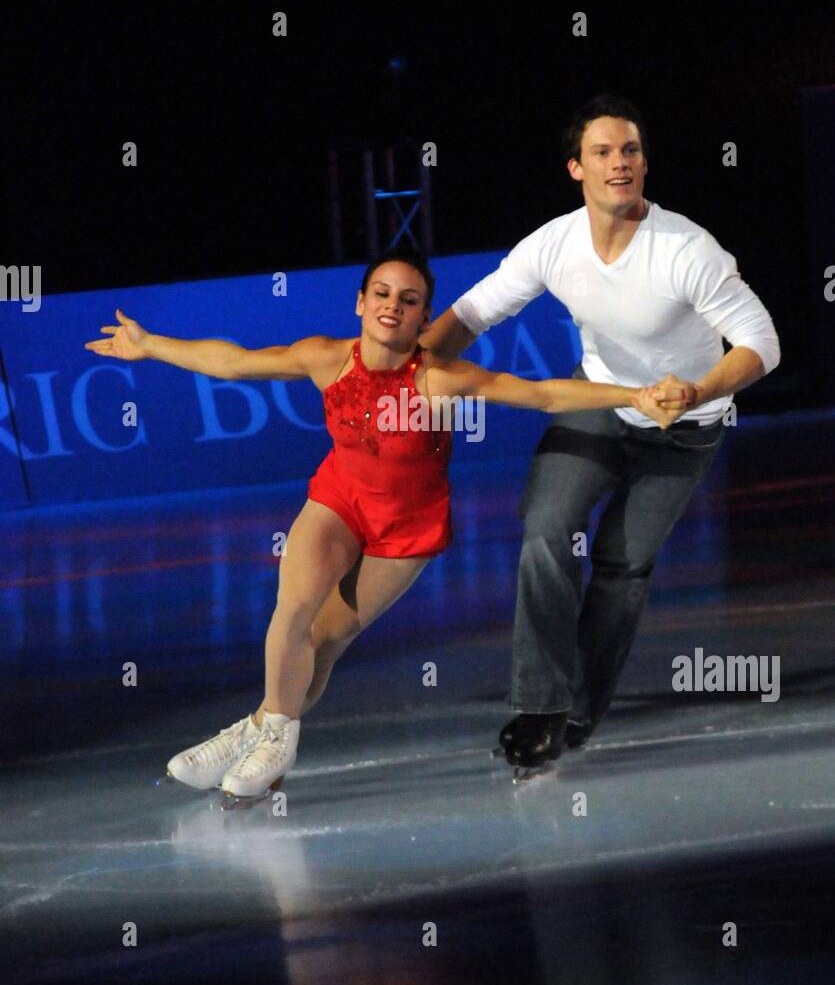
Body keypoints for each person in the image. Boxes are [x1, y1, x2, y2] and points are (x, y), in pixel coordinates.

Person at [84, 245, 689, 802]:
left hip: (406, 530)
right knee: (292, 612)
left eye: (408, 299)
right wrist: (151, 344)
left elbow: (541, 396)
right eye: (381, 293)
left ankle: (259, 729)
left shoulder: (438, 378)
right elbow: (236, 363)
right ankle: (271, 740)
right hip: (339, 502)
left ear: (424, 315)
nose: (391, 306)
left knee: (325, 638)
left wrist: (633, 398)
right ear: (360, 302)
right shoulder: (327, 358)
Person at [419, 94, 782, 773]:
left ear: (644, 162)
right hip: (600, 402)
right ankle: (540, 705)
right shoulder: (554, 243)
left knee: (619, 566)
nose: (620, 163)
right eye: (604, 152)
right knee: (544, 529)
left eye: (631, 150)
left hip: (685, 427)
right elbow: (472, 313)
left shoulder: (687, 249)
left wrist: (698, 390)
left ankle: (579, 711)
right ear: (575, 168)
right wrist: (403, 368)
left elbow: (762, 342)